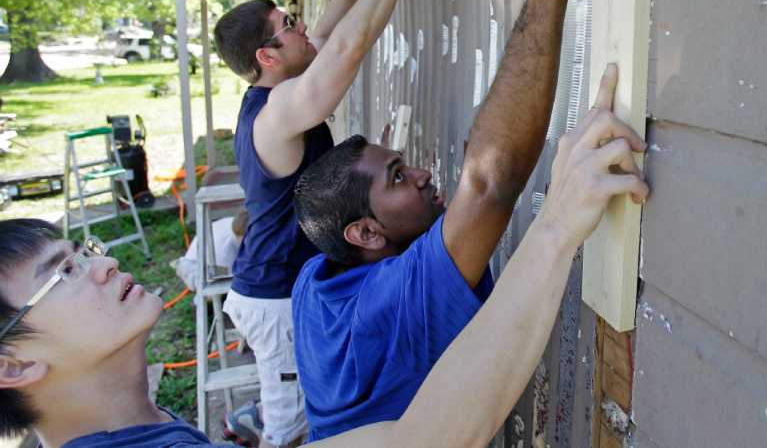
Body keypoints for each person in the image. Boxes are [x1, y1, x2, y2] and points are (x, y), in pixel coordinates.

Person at [0, 64, 648, 447]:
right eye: (63, 272)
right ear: (14, 365)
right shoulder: (376, 301)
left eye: (82, 251)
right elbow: (424, 439)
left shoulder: (314, 277)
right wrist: (556, 224)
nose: (104, 264)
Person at [290, 0, 600, 438]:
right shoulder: (390, 305)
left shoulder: (315, 280)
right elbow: (490, 184)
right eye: (398, 176)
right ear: (364, 233)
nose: (423, 173)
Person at [212, 0, 409, 448]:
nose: (301, 29)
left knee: (304, 401)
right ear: (267, 56)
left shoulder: (275, 90)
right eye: (288, 26)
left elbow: (324, 36)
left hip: (277, 285)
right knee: (294, 427)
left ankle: (260, 411)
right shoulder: (276, 113)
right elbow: (345, 48)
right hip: (275, 294)